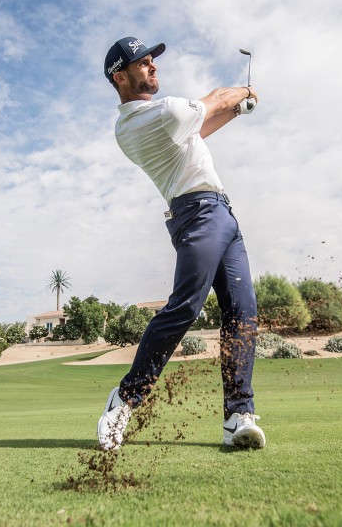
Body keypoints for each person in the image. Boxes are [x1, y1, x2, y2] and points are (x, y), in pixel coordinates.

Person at [98, 36, 265, 451]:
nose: (153, 67)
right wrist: (244, 93)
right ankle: (124, 400)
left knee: (242, 312)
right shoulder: (147, 117)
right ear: (120, 76)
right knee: (185, 306)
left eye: (153, 61)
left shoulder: (163, 119)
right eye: (142, 63)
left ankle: (237, 415)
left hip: (223, 214)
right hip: (197, 213)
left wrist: (236, 112)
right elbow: (215, 98)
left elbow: (202, 128)